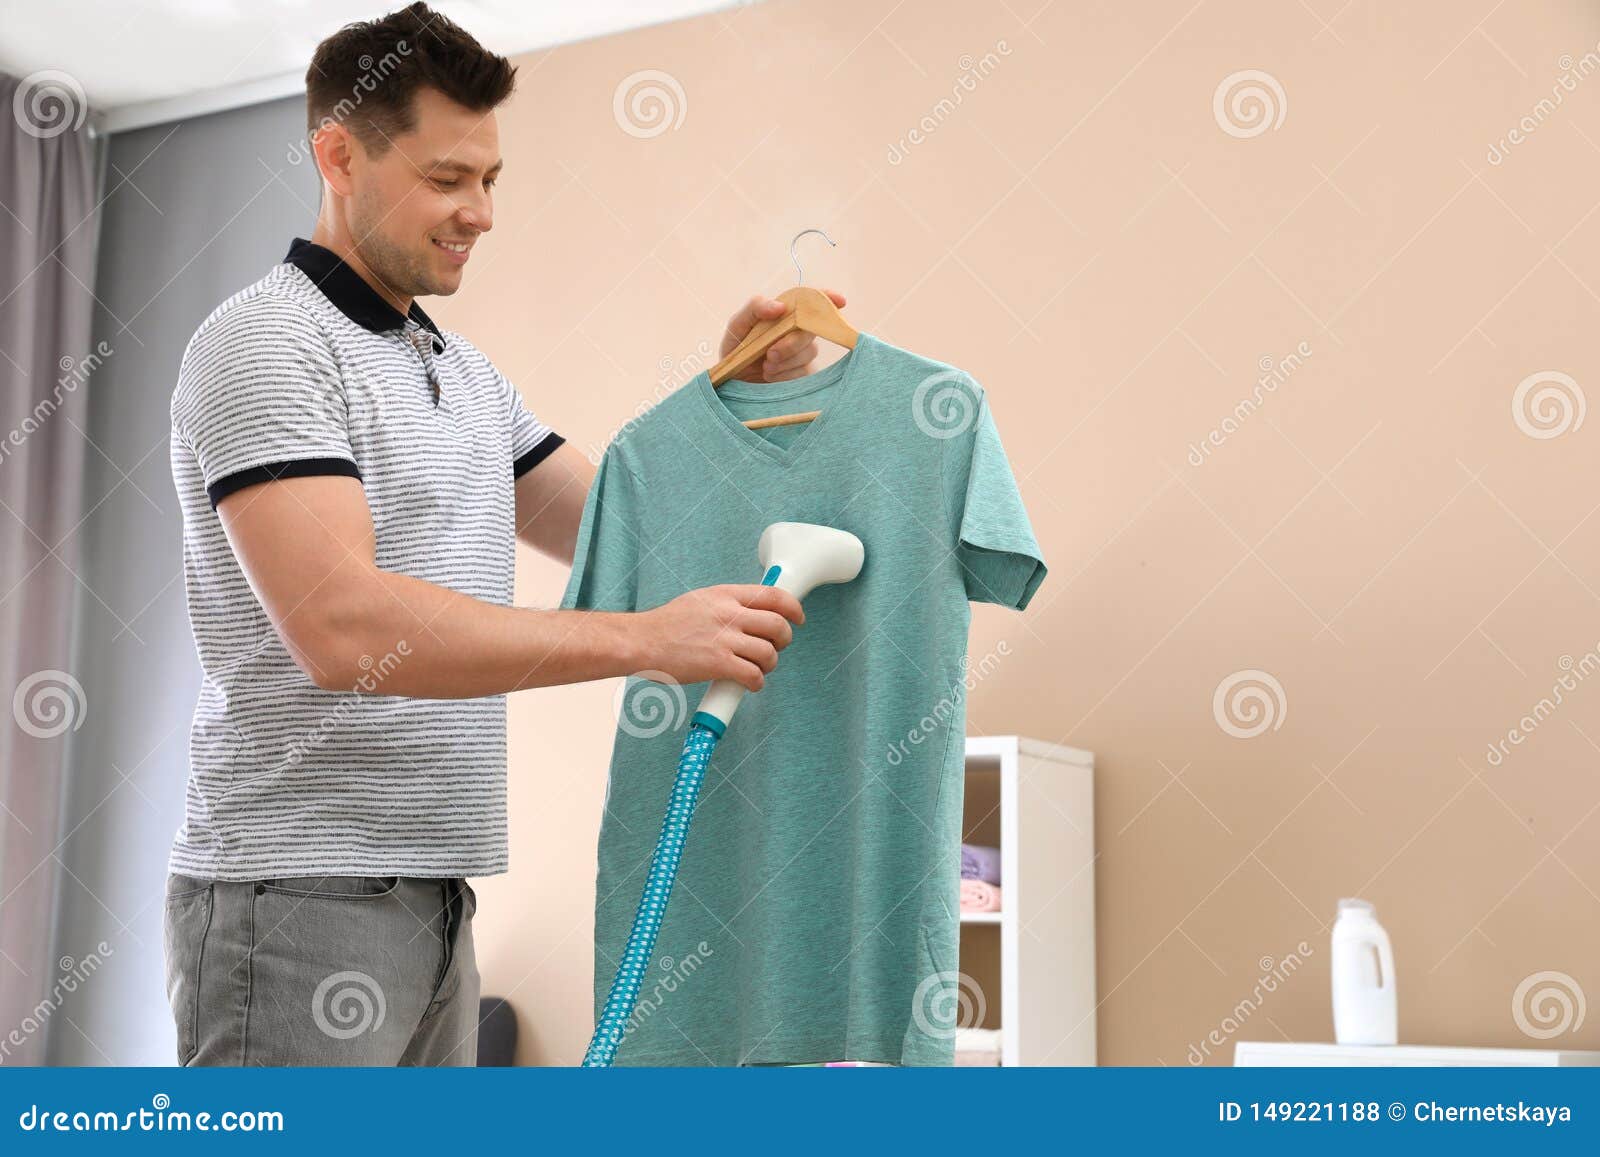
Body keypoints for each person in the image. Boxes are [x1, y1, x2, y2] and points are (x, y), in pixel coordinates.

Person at [162, 2, 841, 1066]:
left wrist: (729, 399)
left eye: (490, 179)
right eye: (447, 178)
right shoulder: (267, 344)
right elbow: (343, 628)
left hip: (438, 890)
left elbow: (628, 525)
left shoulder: (463, 374)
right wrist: (642, 639)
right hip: (292, 894)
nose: (479, 212)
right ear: (338, 157)